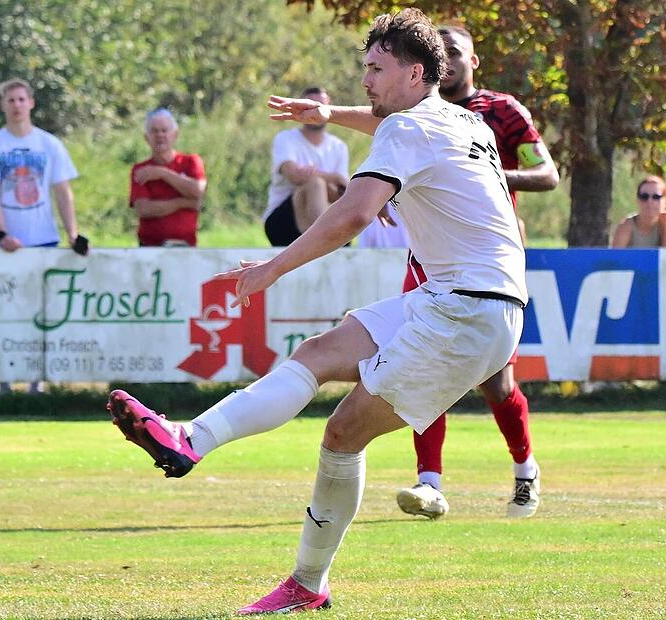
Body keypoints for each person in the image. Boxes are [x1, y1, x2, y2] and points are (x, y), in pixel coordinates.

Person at [108, 9, 526, 613]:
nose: (366, 80)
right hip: (469, 300)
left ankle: (307, 583)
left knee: (341, 435)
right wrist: (328, 116)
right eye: (365, 68)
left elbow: (354, 213)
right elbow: (389, 129)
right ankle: (188, 439)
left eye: (377, 69)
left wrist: (272, 268)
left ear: (414, 73)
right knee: (317, 354)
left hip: (467, 310)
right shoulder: (462, 120)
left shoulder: (408, 129)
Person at [394, 24, 561, 521]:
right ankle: (429, 484)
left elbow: (547, 174)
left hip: (488, 263)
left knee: (495, 382)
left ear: (474, 60)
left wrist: (489, 173)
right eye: (439, 52)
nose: (447, 60)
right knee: (421, 367)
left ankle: (525, 469)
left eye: (455, 51)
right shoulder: (415, 114)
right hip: (428, 260)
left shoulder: (502, 112)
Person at [0, 78, 82, 395]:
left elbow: (62, 191)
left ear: (31, 103)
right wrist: (2, 233)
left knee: (40, 314)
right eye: (11, 100)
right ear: (3, 105)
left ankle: (37, 382)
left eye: (22, 99)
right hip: (5, 245)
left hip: (43, 239)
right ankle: (4, 382)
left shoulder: (49, 144)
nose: (17, 105)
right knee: (4, 312)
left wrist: (72, 234)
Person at [263, 86, 350, 247]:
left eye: (320, 106)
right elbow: (294, 175)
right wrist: (334, 177)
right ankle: (328, 240)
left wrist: (328, 178)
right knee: (315, 184)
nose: (315, 112)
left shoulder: (339, 147)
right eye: (309, 107)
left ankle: (328, 239)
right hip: (282, 224)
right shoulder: (286, 139)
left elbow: (342, 188)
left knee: (332, 190)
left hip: (320, 217)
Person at [129, 108, 206, 247]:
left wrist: (162, 173)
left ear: (175, 134)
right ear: (146, 137)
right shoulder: (141, 170)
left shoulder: (191, 162)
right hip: (150, 247)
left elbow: (197, 191)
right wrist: (183, 202)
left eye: (164, 130)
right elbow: (143, 209)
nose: (160, 135)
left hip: (185, 246)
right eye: (154, 131)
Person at [611, 175, 666, 248]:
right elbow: (616, 254)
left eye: (656, 197)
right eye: (644, 197)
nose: (650, 201)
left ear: (665, 200)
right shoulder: (627, 225)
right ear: (637, 200)